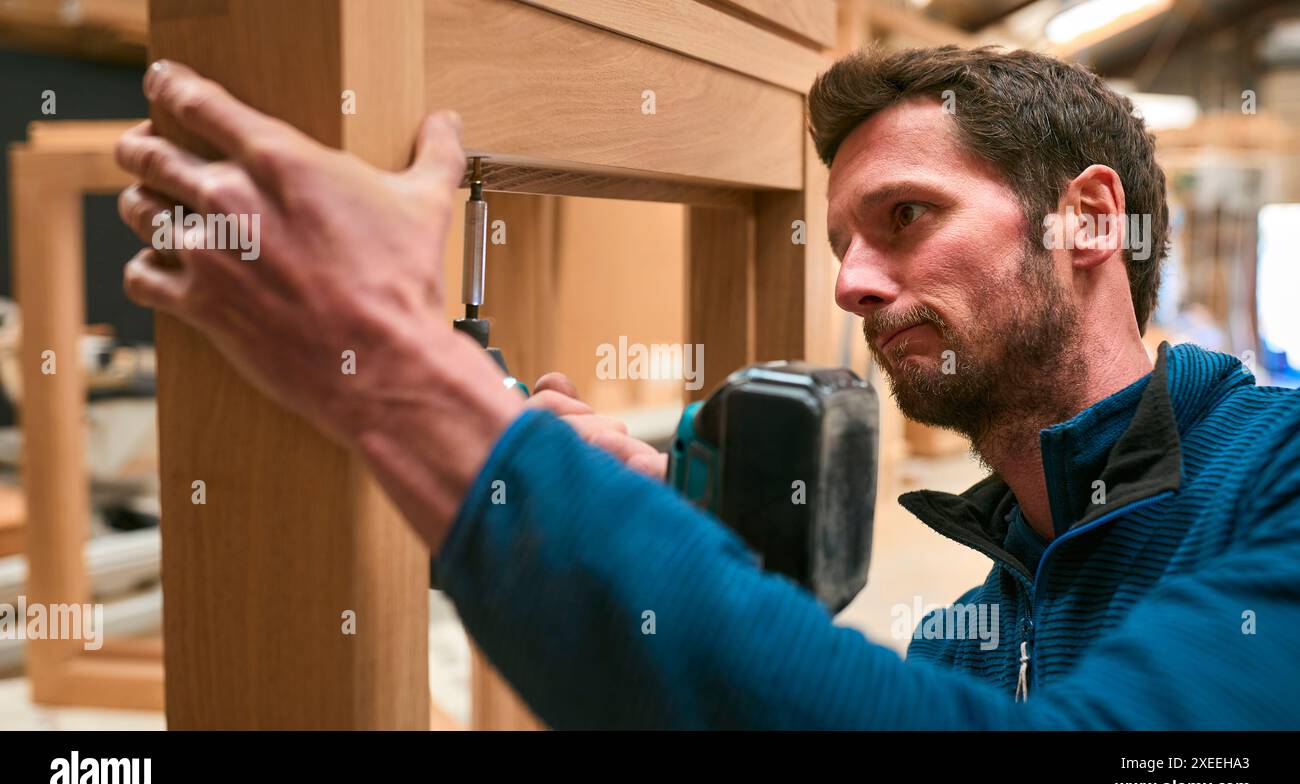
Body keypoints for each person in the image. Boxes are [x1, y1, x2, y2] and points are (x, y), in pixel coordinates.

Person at [113, 46, 1300, 729]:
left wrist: (411, 384)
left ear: (1087, 218)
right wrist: (651, 541)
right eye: (839, 239)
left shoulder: (1280, 478)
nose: (850, 282)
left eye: (906, 217)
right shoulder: (981, 630)